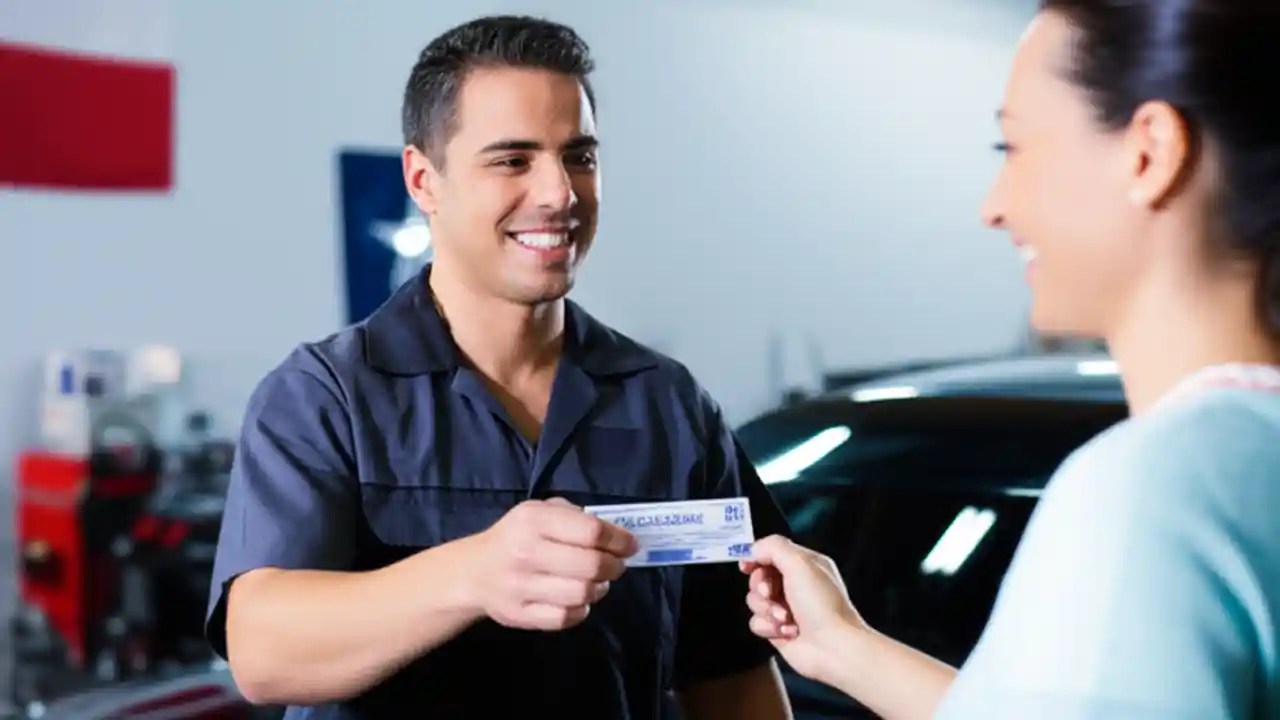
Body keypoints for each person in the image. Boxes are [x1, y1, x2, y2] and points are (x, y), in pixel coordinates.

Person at [205, 15, 794, 719]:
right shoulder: (325, 396)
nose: (559, 193)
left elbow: (730, 675)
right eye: (513, 160)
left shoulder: (669, 404)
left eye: (578, 156)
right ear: (424, 180)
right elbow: (264, 653)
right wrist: (471, 574)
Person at [742, 1, 1280, 718]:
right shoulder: (1247, 457)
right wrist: (844, 647)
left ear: (1147, 151)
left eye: (1013, 149)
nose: (994, 207)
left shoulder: (1148, 488)